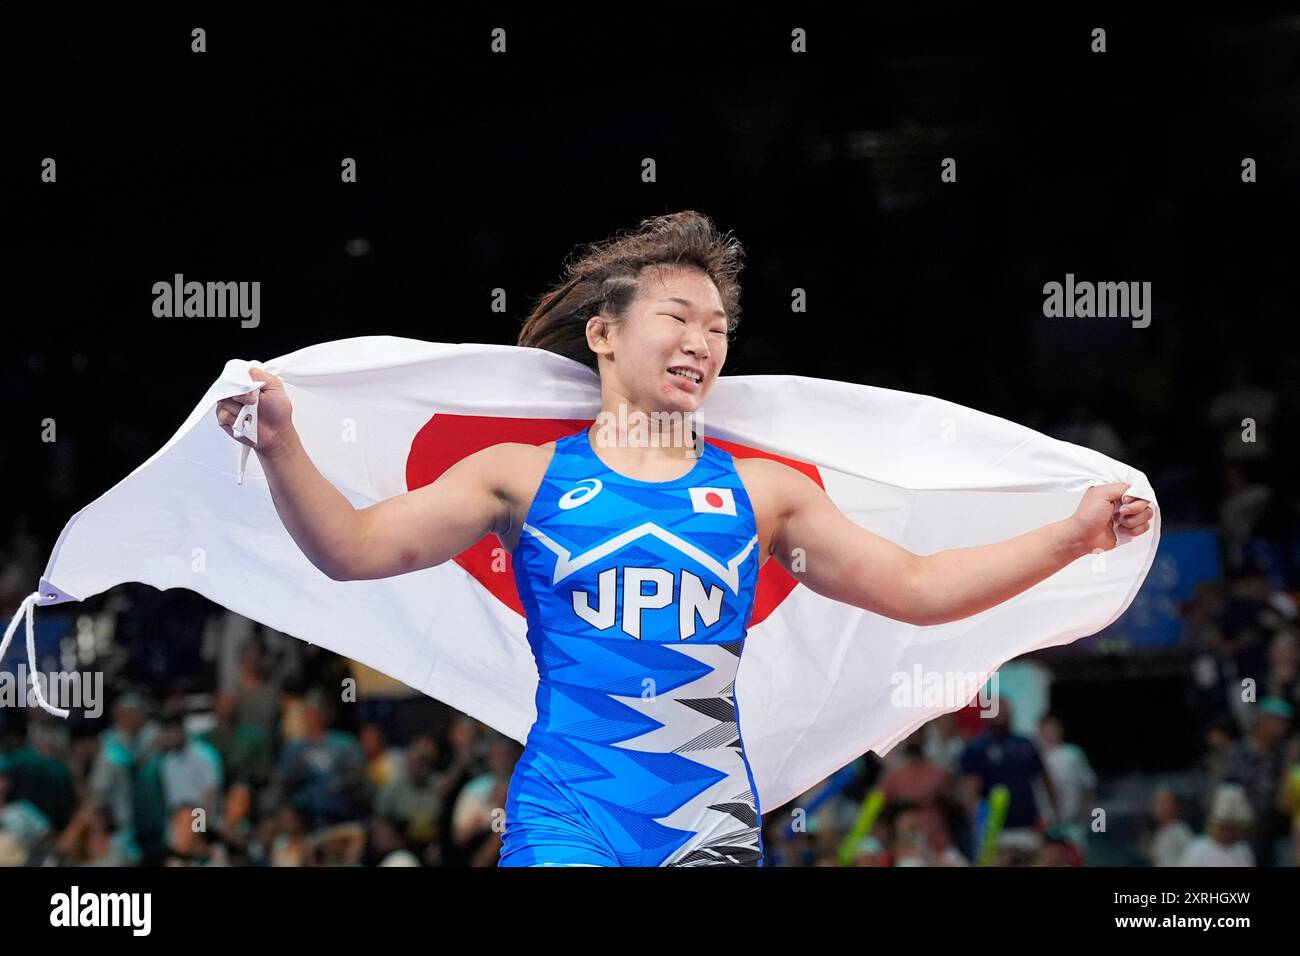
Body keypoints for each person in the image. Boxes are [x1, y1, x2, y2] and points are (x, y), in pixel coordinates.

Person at [213, 210, 1154, 867]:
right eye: (678, 316)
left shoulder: (766, 494)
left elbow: (915, 586)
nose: (704, 339)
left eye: (719, 327)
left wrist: (1072, 537)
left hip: (706, 818)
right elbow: (353, 549)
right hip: (567, 810)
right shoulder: (521, 475)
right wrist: (285, 443)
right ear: (604, 336)